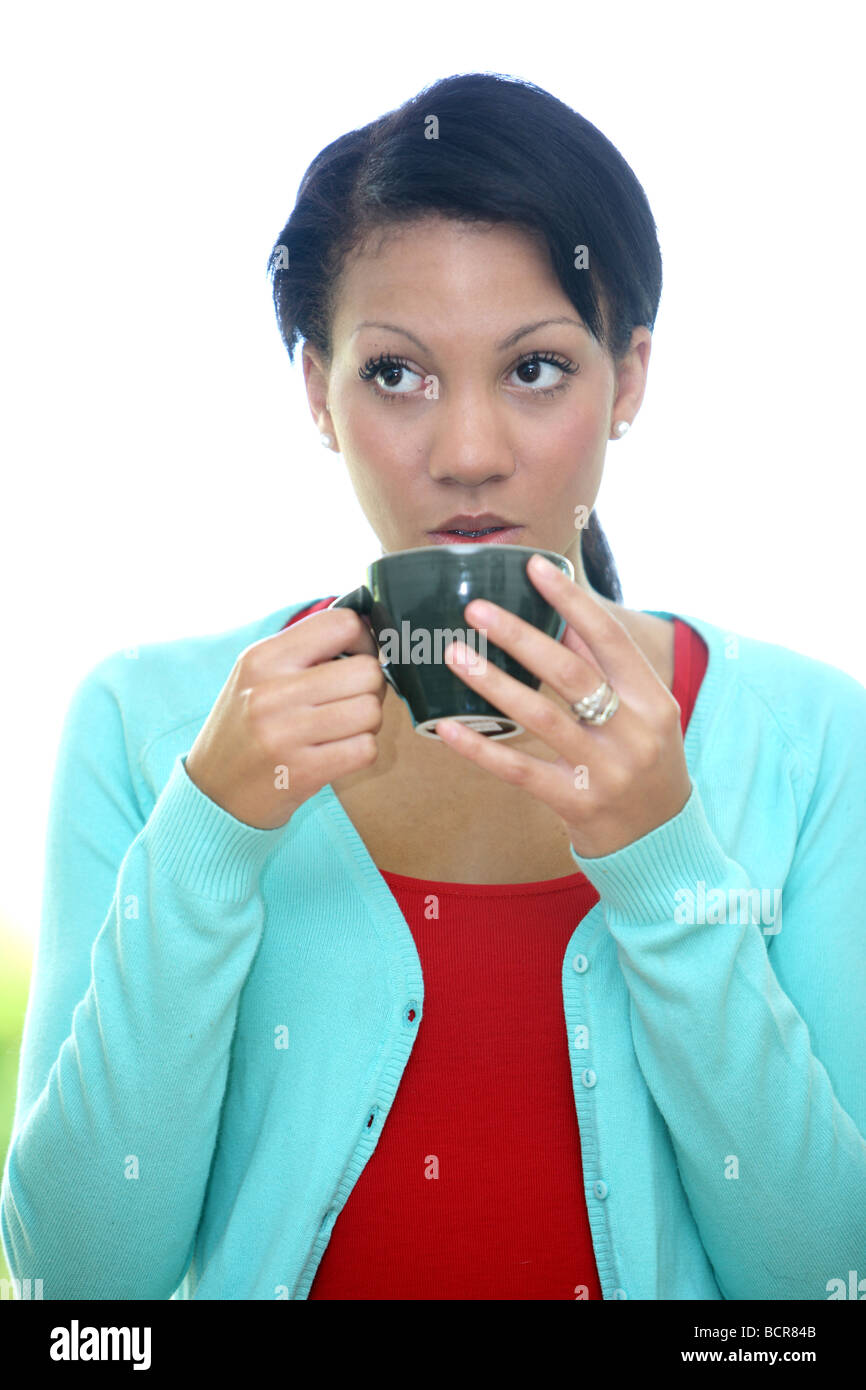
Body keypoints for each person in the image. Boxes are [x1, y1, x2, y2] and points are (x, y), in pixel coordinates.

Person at [2, 72, 865, 1302]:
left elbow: (827, 1285)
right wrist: (208, 834)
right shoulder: (146, 730)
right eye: (397, 374)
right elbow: (82, 1288)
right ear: (316, 388)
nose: (467, 451)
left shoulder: (810, 738)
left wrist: (665, 859)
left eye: (536, 369)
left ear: (628, 379)